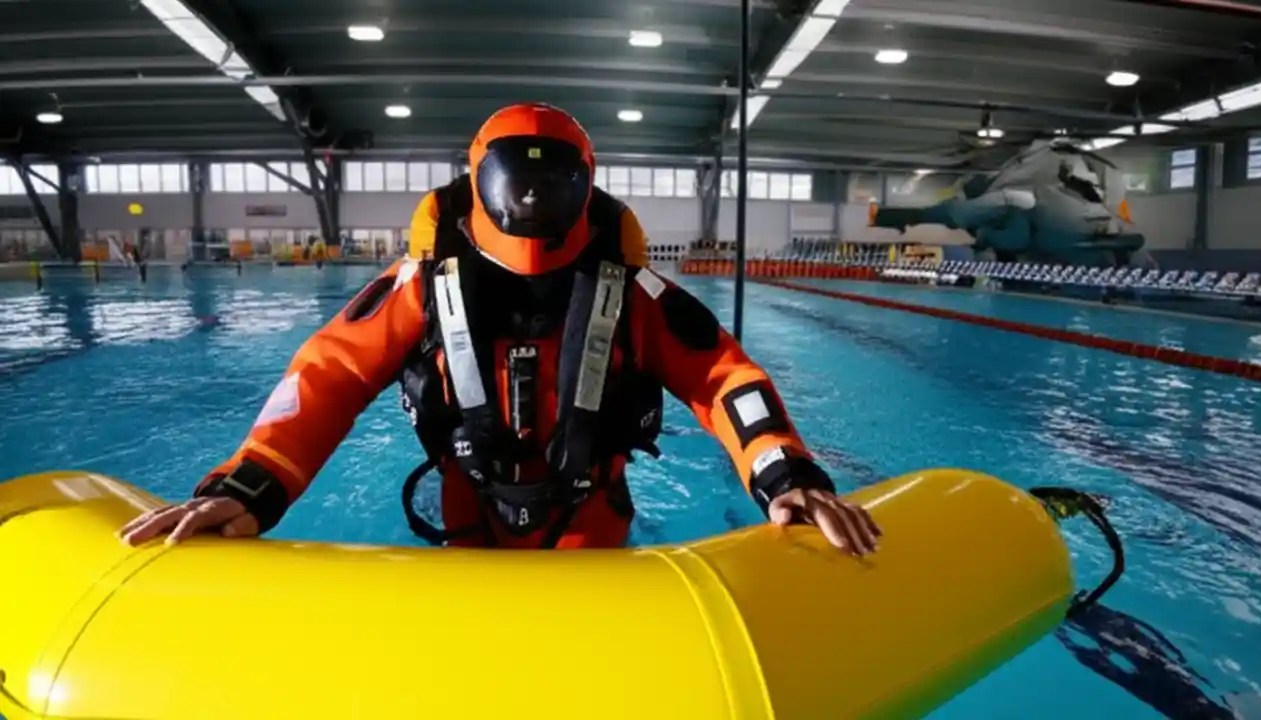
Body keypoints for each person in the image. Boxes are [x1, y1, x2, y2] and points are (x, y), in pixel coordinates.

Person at [119, 103, 881, 554]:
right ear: (480, 183)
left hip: (591, 518)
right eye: (517, 182)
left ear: (583, 185)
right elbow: (329, 374)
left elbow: (724, 378)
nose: (530, 201)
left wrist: (785, 474)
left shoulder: (631, 289)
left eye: (551, 184)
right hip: (468, 508)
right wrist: (253, 482)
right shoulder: (422, 284)